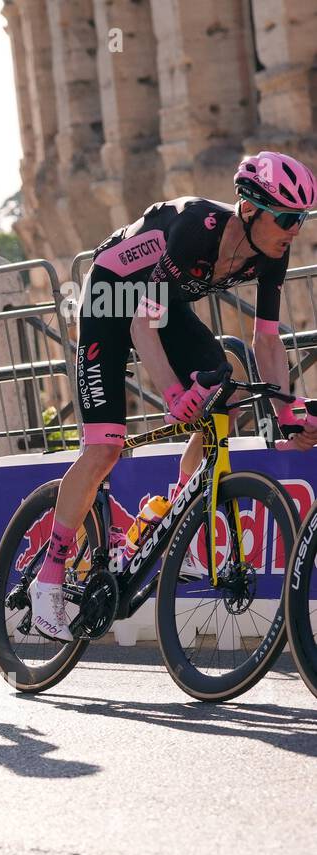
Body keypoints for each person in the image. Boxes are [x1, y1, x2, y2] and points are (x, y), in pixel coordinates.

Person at [31, 150, 317, 640]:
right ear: (248, 209)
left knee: (222, 389)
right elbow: (139, 321)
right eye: (288, 218)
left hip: (157, 302)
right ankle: (48, 579)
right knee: (104, 448)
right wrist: (170, 391)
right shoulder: (194, 229)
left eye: (303, 218)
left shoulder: (273, 251)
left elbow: (266, 340)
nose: (296, 229)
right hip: (108, 297)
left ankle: (170, 514)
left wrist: (287, 411)